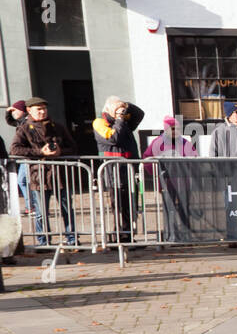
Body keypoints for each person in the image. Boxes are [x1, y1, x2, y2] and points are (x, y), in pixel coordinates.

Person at [12, 97, 79, 247]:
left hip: (60, 174)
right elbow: (15, 149)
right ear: (29, 110)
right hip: (39, 176)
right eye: (39, 109)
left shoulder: (58, 126)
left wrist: (60, 151)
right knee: (41, 213)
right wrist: (40, 151)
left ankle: (72, 239)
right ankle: (44, 241)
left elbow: (73, 147)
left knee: (67, 209)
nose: (42, 112)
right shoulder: (24, 129)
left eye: (44, 108)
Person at [93, 95, 144, 244]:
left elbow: (139, 114)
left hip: (128, 169)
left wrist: (125, 105)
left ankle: (128, 236)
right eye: (117, 110)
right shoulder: (100, 122)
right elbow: (114, 138)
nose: (121, 113)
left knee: (130, 205)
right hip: (113, 171)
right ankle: (119, 237)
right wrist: (120, 119)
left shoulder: (122, 123)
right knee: (119, 206)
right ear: (108, 109)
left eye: (121, 111)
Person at [145, 115, 197, 243]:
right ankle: (172, 236)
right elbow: (147, 159)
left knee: (185, 209)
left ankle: (186, 236)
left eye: (178, 128)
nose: (176, 131)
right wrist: (157, 174)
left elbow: (195, 158)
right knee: (169, 210)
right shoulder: (157, 143)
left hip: (183, 182)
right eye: (173, 128)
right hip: (166, 183)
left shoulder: (185, 142)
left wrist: (190, 173)